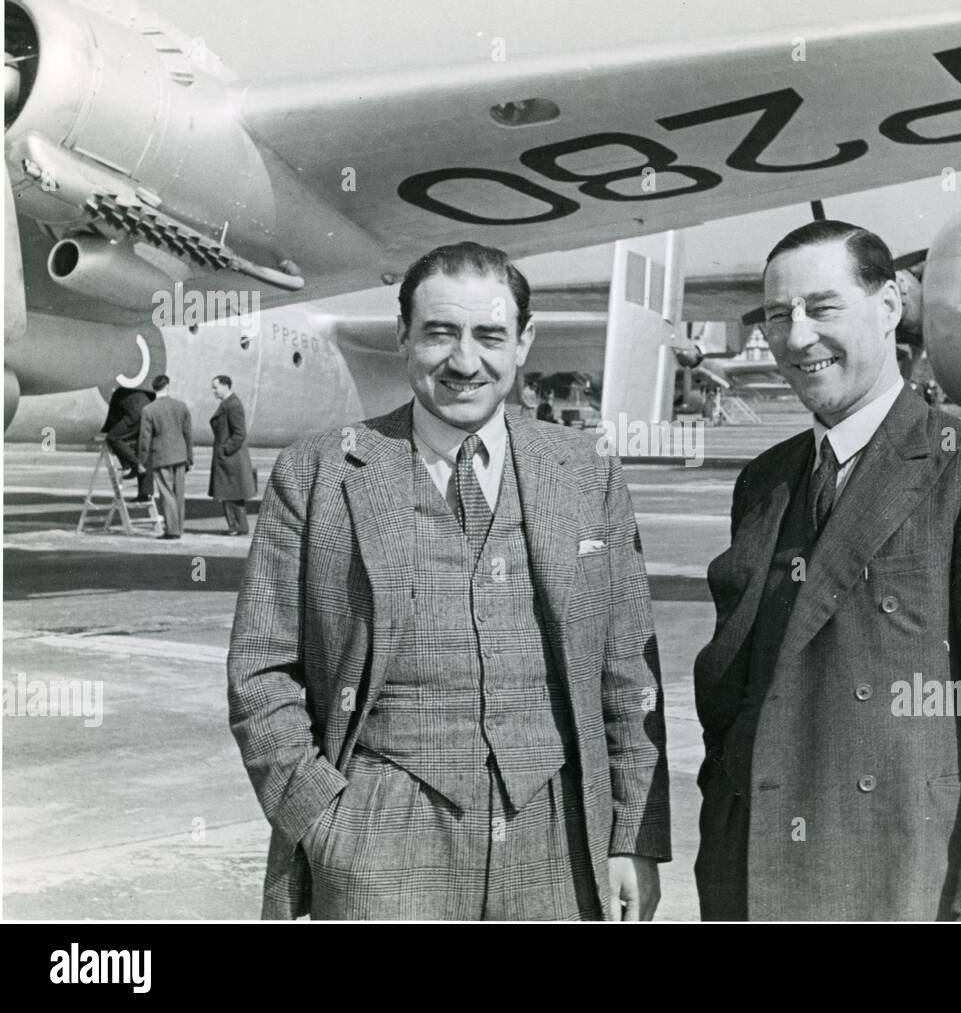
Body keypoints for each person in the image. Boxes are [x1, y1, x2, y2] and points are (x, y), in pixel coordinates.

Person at [227, 241, 669, 921]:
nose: (465, 362)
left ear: (524, 342)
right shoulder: (317, 474)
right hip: (379, 839)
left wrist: (631, 833)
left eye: (489, 335)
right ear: (403, 335)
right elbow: (262, 671)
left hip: (553, 844)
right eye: (440, 333)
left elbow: (626, 668)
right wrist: (321, 817)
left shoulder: (587, 472)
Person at [693, 221, 961, 921]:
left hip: (897, 882)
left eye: (822, 307)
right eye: (779, 315)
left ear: (891, 303)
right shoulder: (766, 480)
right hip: (751, 878)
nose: (798, 337)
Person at [138, 375, 193, 540]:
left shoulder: (149, 410)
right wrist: (190, 457)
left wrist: (141, 461)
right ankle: (179, 528)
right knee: (179, 493)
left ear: (153, 388)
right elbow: (188, 434)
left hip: (161, 456)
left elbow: (145, 438)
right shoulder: (181, 406)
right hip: (180, 455)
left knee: (167, 493)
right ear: (167, 386)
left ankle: (172, 530)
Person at [208, 375, 257, 536]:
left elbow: (239, 433)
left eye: (216, 387)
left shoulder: (232, 405)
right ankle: (237, 526)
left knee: (231, 495)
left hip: (231, 459)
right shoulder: (228, 403)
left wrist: (225, 450)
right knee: (230, 495)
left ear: (226, 386)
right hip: (229, 458)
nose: (213, 391)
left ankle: (236, 526)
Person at [101, 385, 155, 501]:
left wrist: (107, 435)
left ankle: (134, 465)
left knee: (113, 438)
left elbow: (112, 419)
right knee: (143, 449)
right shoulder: (134, 391)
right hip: (148, 413)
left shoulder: (117, 396)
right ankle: (145, 493)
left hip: (135, 415)